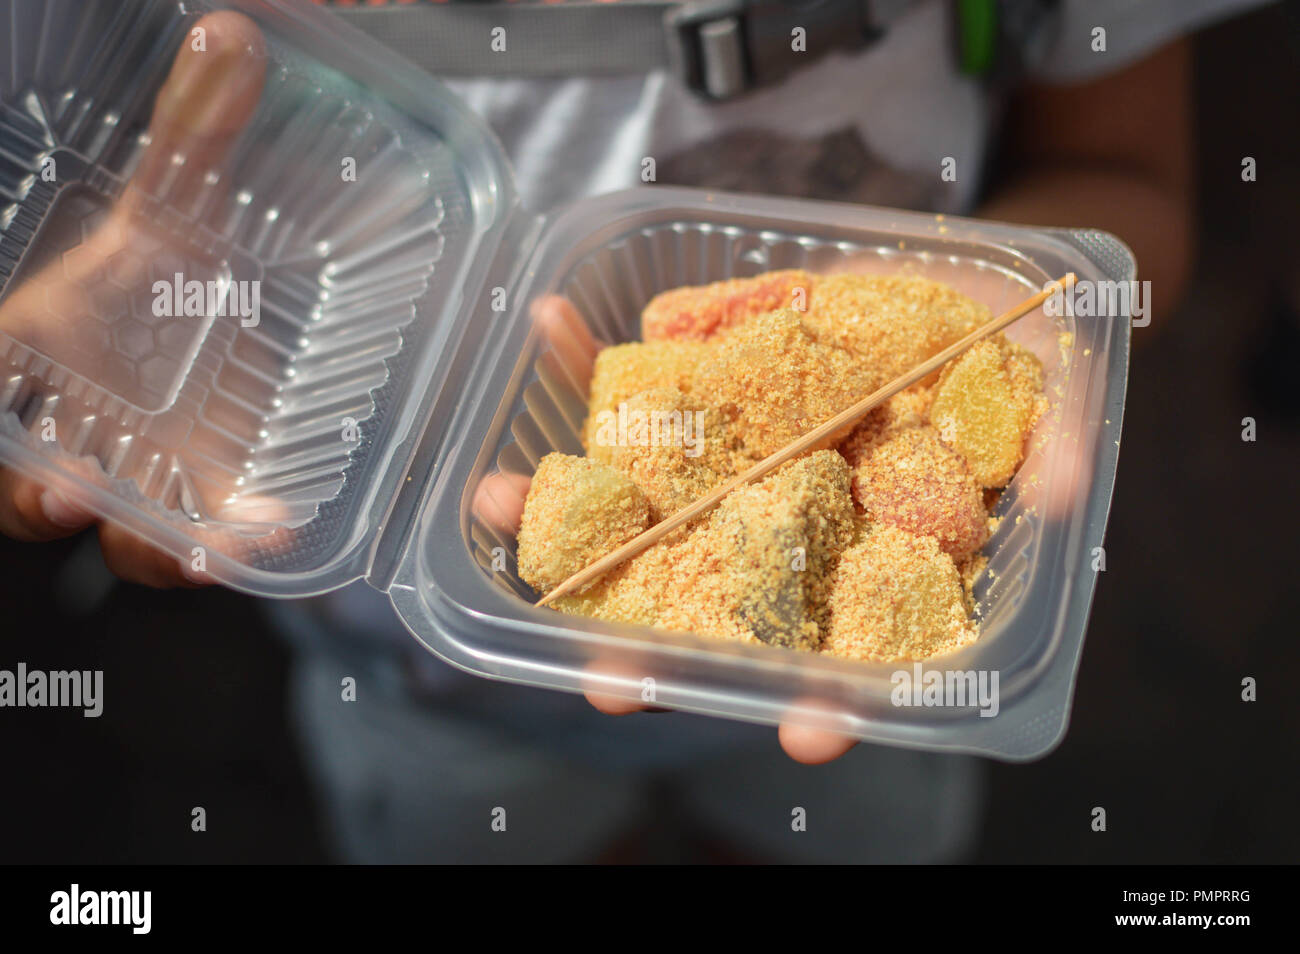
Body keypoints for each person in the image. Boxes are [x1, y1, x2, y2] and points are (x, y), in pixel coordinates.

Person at [0, 0, 1269, 861]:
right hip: (413, 664)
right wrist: (77, 374)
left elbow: (1126, 177)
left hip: (870, 708)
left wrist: (1021, 313)